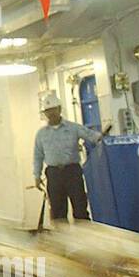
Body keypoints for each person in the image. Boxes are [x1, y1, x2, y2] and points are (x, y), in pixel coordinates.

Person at [32, 91, 103, 222]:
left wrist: (103, 137)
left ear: (59, 109)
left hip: (72, 172)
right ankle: (62, 241)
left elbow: (93, 137)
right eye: (47, 111)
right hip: (53, 175)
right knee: (58, 213)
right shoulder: (41, 134)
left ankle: (84, 239)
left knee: (80, 209)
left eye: (53, 109)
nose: (51, 113)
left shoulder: (73, 128)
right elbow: (38, 156)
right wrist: (37, 175)